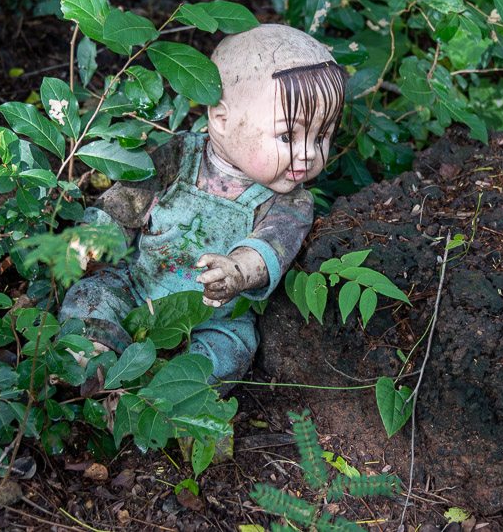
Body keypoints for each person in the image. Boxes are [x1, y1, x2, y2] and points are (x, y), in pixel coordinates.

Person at [59, 24, 347, 389]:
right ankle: (93, 365)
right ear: (221, 120)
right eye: (288, 135)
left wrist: (239, 272)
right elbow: (128, 197)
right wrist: (96, 233)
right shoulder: (178, 155)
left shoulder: (289, 201)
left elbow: (271, 246)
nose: (308, 153)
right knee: (90, 296)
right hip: (139, 283)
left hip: (214, 316)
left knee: (229, 353)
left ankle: (161, 392)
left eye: (321, 135)